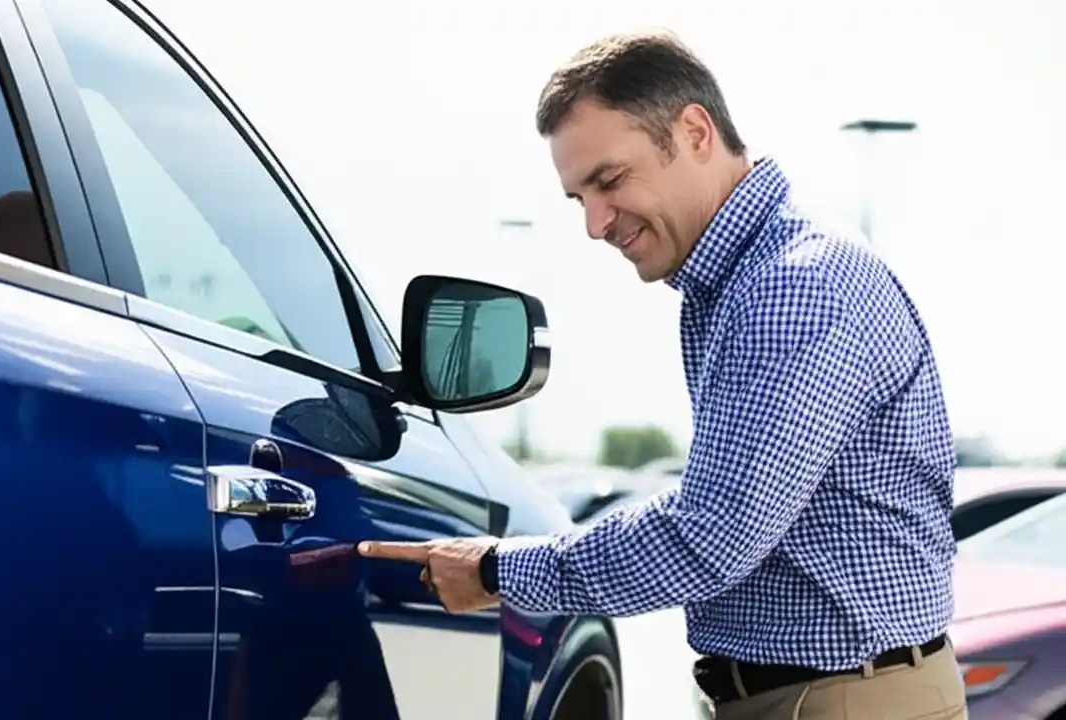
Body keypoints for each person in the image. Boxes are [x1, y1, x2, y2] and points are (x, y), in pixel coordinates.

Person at [359, 31, 967, 719]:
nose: (594, 223)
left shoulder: (792, 289)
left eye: (610, 181)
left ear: (695, 131)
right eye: (578, 197)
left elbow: (708, 536)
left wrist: (498, 571)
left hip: (842, 702)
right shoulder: (739, 286)